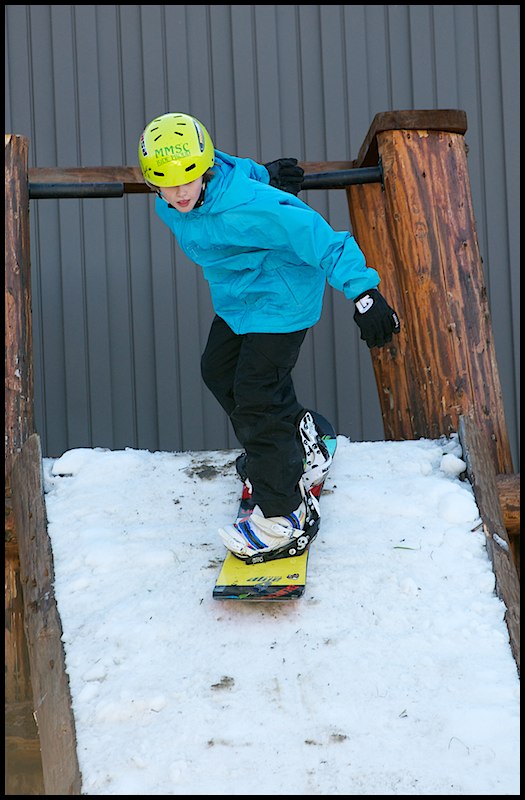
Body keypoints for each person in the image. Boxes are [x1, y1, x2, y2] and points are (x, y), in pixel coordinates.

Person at [138, 112, 400, 561]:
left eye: (188, 179)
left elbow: (323, 238)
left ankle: (285, 514)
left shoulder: (254, 205)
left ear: (203, 170)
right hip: (239, 299)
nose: (180, 192)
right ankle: (296, 443)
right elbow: (234, 168)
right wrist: (265, 172)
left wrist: (363, 294)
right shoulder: (177, 201)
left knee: (257, 395)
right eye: (167, 183)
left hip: (282, 300)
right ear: (151, 183)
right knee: (217, 371)